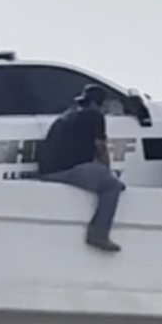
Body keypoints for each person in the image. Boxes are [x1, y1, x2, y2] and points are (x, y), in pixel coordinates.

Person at [36, 84, 124, 252]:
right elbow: (101, 148)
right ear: (99, 104)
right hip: (71, 170)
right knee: (111, 187)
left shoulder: (66, 116)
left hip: (49, 172)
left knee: (103, 179)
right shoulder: (95, 116)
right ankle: (98, 234)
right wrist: (109, 174)